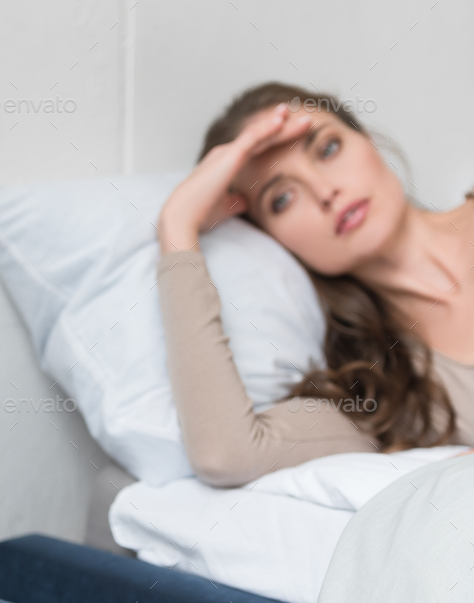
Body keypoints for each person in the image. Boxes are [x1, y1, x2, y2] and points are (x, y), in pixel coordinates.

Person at [156, 82, 474, 487]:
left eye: (327, 149)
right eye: (282, 199)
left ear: (369, 141)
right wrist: (178, 227)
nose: (326, 193)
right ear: (273, 241)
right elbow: (227, 455)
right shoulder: (376, 393)